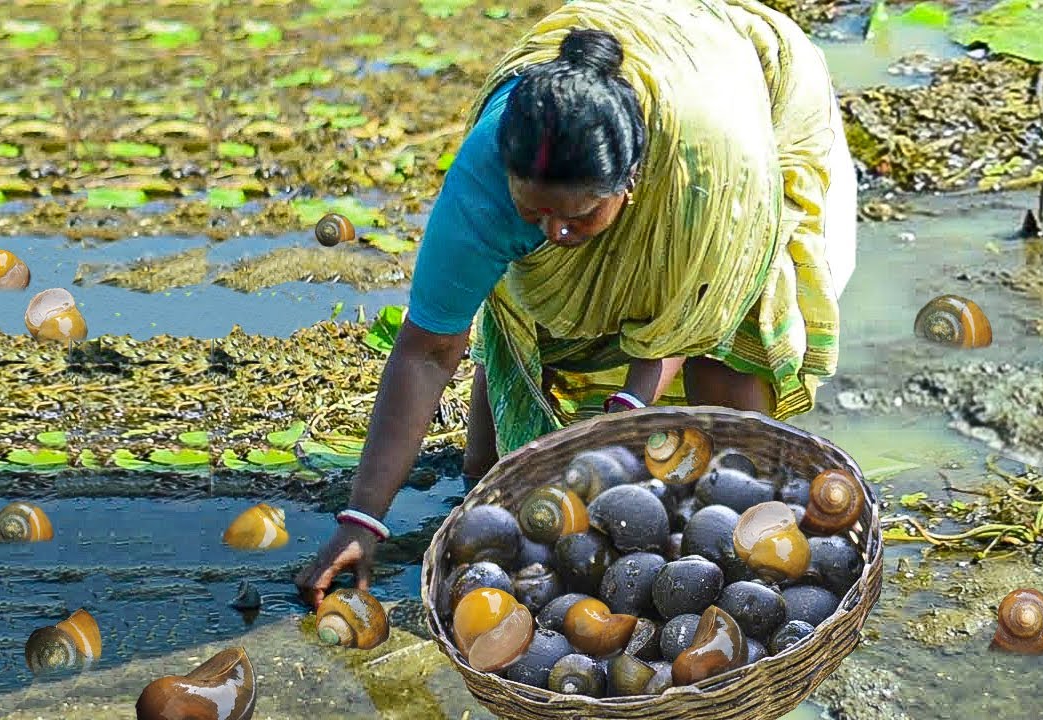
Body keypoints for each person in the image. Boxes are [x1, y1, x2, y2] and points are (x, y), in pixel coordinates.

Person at [294, 0, 858, 607]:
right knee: (489, 462)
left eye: (578, 216)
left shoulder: (708, 176)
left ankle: (752, 534)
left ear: (631, 182)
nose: (555, 234)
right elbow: (427, 351)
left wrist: (627, 412)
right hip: (643, 107)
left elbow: (695, 312)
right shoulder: (484, 183)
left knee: (729, 404)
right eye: (533, 212)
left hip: (750, 100)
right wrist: (362, 520)